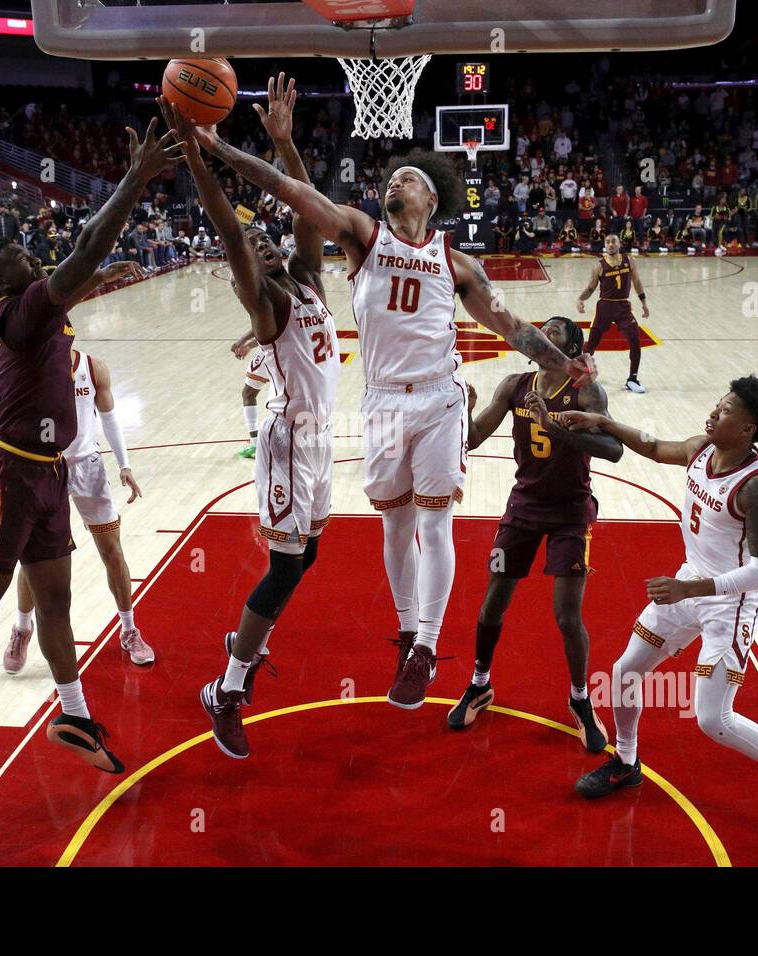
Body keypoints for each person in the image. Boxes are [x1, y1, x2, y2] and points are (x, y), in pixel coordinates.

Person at [186, 76, 594, 709]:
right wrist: (228, 150)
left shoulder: (457, 263)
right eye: (391, 177)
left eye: (405, 177)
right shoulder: (360, 233)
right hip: (379, 401)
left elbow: (511, 327)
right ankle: (408, 634)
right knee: (395, 527)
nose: (392, 181)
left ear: (430, 197)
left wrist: (566, 365)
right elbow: (297, 195)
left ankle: (427, 647)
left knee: (436, 524)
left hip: (438, 395)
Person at [0, 117, 182, 815]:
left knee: (57, 600)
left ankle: (72, 712)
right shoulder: (20, 310)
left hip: (51, 475)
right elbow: (83, 249)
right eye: (21, 259)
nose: (33, 260)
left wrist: (94, 279)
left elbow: (76, 275)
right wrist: (134, 180)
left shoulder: (43, 311)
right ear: (2, 280)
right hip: (10, 477)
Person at [562, 377, 758, 843]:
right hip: (688, 584)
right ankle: (627, 762)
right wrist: (603, 421)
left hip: (730, 604)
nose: (714, 413)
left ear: (747, 428)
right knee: (626, 671)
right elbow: (653, 446)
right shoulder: (702, 449)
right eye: (717, 404)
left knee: (713, 719)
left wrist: (691, 589)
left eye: (725, 410)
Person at [165, 82, 339, 758]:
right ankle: (228, 687)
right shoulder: (266, 305)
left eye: (270, 239)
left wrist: (287, 143)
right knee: (286, 568)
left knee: (309, 557)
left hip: (320, 443)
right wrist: (200, 160)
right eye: (256, 246)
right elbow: (231, 232)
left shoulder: (307, 279)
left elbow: (307, 209)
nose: (264, 244)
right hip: (289, 442)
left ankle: (243, 645)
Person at [452, 316, 621, 751]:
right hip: (522, 510)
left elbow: (613, 450)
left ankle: (580, 699)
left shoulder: (586, 390)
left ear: (572, 347)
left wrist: (558, 426)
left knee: (567, 616)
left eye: (557, 332)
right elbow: (471, 439)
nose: (545, 336)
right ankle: (480, 683)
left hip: (571, 514)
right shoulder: (514, 385)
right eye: (542, 330)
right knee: (492, 606)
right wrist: (463, 411)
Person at [5, 344, 155, 672]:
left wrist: (125, 465)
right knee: (34, 559)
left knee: (113, 552)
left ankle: (129, 630)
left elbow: (110, 418)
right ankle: (22, 627)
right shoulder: (31, 367)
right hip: (46, 468)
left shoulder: (93, 367)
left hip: (88, 466)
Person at [578, 233, 650, 393]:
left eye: (613, 241)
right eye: (607, 242)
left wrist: (643, 302)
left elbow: (637, 282)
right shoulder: (599, 265)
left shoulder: (629, 260)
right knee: (591, 344)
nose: (610, 244)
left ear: (619, 244)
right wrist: (580, 299)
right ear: (605, 245)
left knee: (635, 341)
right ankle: (580, 371)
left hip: (623, 307)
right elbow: (591, 288)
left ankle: (632, 378)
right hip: (604, 307)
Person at [232, 329, 266, 459]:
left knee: (248, 394)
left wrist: (243, 342)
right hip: (297, 352)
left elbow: (268, 329)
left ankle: (256, 445)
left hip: (271, 352)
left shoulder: (277, 308)